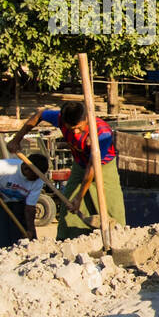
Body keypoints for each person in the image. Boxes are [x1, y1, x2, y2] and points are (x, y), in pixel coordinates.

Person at [9, 102, 125, 239]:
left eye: (79, 128)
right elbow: (39, 115)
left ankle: (117, 238)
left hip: (103, 167)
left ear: (87, 118)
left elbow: (92, 168)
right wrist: (17, 139)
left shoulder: (102, 133)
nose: (75, 132)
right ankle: (69, 240)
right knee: (70, 205)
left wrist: (79, 196)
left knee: (111, 206)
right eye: (71, 129)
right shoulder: (60, 118)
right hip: (79, 165)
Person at [0, 154, 50, 248]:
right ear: (26, 168)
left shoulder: (38, 180)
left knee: (20, 234)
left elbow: (30, 207)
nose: (35, 179)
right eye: (34, 176)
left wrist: (30, 229)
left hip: (20, 202)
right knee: (0, 231)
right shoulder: (6, 167)